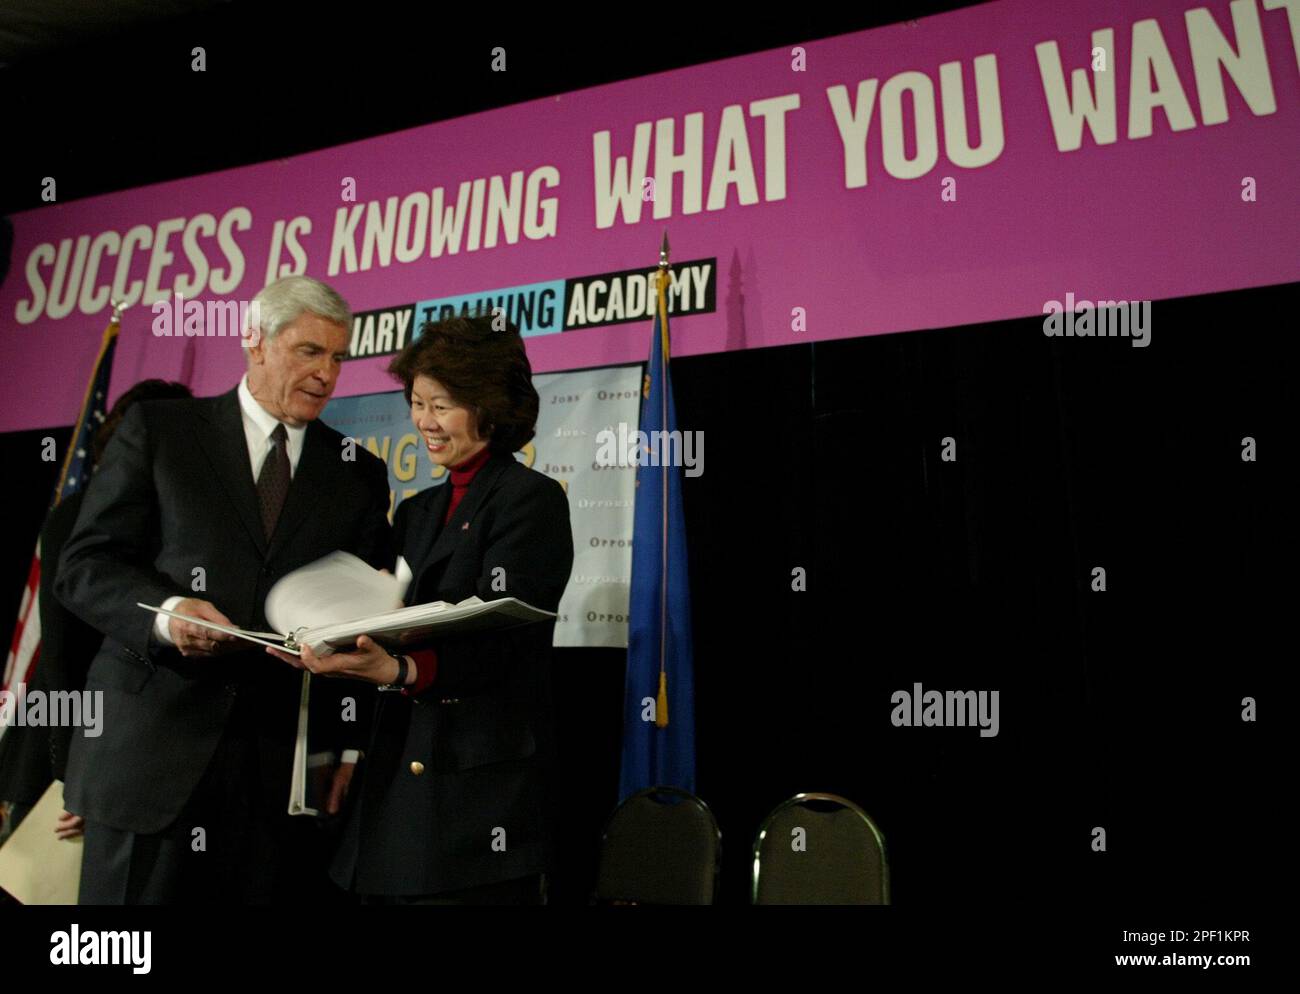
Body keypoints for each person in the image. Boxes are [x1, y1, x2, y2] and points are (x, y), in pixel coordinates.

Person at [55, 275, 394, 904]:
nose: (326, 372)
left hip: (271, 774)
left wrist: (346, 739)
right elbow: (85, 566)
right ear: (255, 342)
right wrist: (169, 613)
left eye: (338, 357)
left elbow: (365, 603)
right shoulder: (161, 432)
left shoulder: (357, 473)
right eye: (309, 351)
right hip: (149, 754)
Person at [268, 315, 574, 904]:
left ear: (490, 407)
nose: (424, 423)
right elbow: (387, 623)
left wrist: (404, 669)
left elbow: (503, 640)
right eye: (416, 402)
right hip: (393, 794)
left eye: (442, 405)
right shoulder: (416, 512)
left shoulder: (528, 501)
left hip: (471, 809)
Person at [0, 380, 192, 848]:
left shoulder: (172, 521)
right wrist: (71, 779)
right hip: (59, 760)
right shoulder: (78, 516)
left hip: (122, 764)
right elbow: (62, 655)